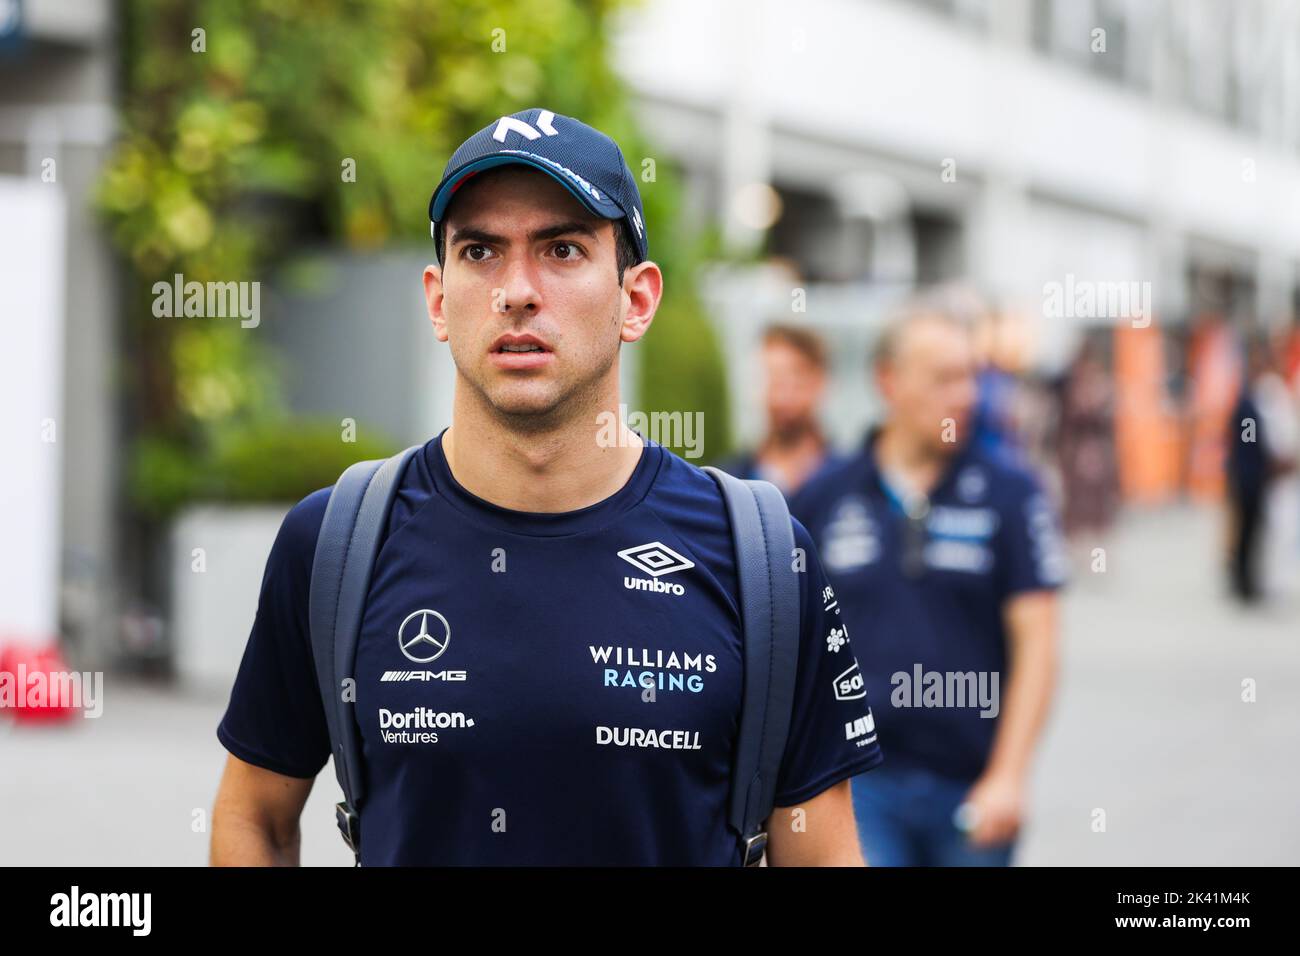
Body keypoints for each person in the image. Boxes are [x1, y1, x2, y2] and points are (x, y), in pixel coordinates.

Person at [210, 108, 882, 866]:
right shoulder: (336, 542)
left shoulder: (759, 555)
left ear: (637, 299)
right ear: (438, 298)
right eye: (481, 251)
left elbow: (822, 855)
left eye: (561, 249)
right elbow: (254, 821)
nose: (517, 290)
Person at [791, 301, 1067, 866]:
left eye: (970, 375)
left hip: (969, 789)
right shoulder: (826, 495)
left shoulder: (1011, 494)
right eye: (944, 378)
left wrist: (1010, 777)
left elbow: (1038, 642)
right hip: (860, 787)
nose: (964, 395)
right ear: (888, 381)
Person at [717, 324, 841, 496]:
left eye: (795, 381)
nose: (782, 396)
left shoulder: (849, 485)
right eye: (773, 380)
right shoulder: (728, 483)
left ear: (820, 382)